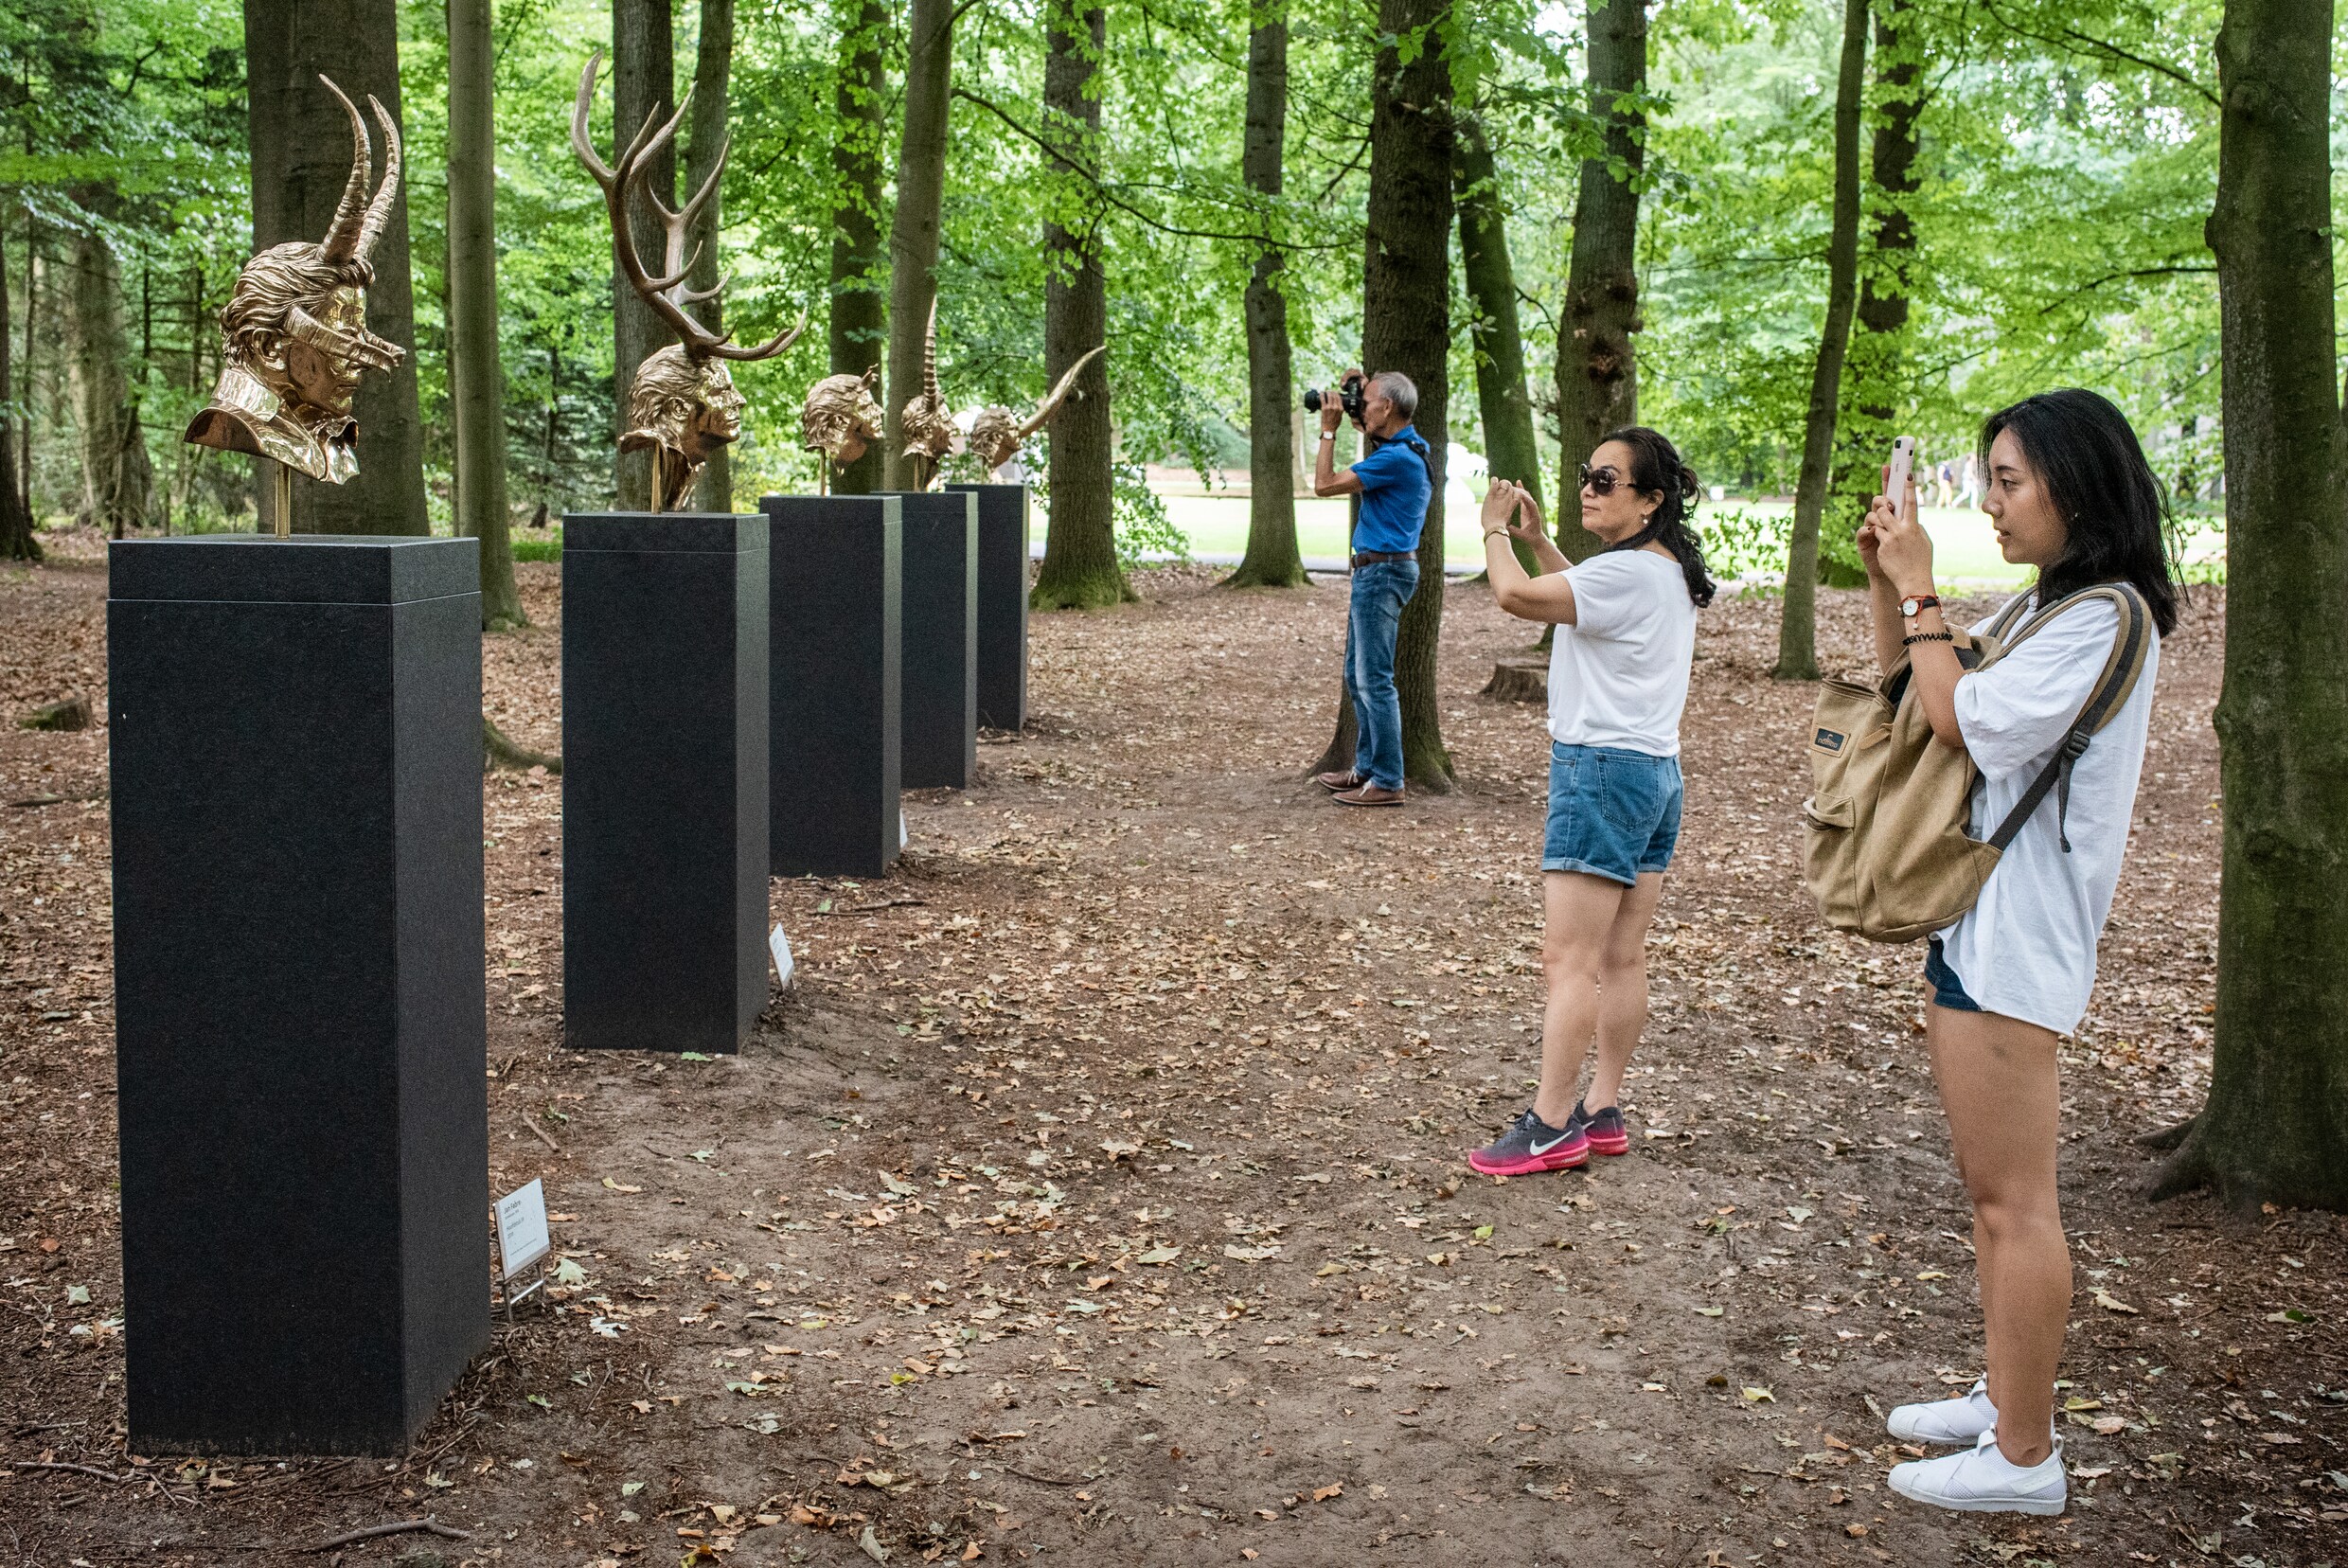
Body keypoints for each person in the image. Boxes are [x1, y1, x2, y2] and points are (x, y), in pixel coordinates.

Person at [1863, 388, 2178, 1516]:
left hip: (2019, 940)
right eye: (1985, 479)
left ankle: (2024, 1457)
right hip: (1980, 919)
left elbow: (1965, 725)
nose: (1990, 502)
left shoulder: (2104, 617)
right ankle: (2005, 1400)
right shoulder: (2058, 606)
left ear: (2075, 485)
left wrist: (1922, 587)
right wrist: (1889, 583)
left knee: (2015, 1204)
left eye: (2007, 481)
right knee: (1990, 1195)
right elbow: (1921, 687)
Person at [1465, 429, 1716, 1176]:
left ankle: (1549, 1126)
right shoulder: (1661, 570)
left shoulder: (1625, 575)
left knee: (1567, 958)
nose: (1587, 487)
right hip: (1655, 774)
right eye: (1586, 474)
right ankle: (1600, 1109)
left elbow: (1513, 598)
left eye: (1606, 480)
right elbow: (1586, 596)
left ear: (1649, 499)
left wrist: (1492, 530)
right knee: (1620, 954)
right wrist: (1541, 543)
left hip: (1601, 771)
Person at [1309, 369, 1434, 807]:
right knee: (1356, 675)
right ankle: (1365, 767)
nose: (1360, 408)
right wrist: (1358, 387)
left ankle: (1388, 780)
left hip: (1381, 574)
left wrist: (1328, 432)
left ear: (1389, 408)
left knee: (1375, 680)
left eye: (1368, 400)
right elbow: (1373, 419)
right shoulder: (1407, 446)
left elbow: (1323, 485)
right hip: (1378, 572)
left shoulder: (1396, 459)